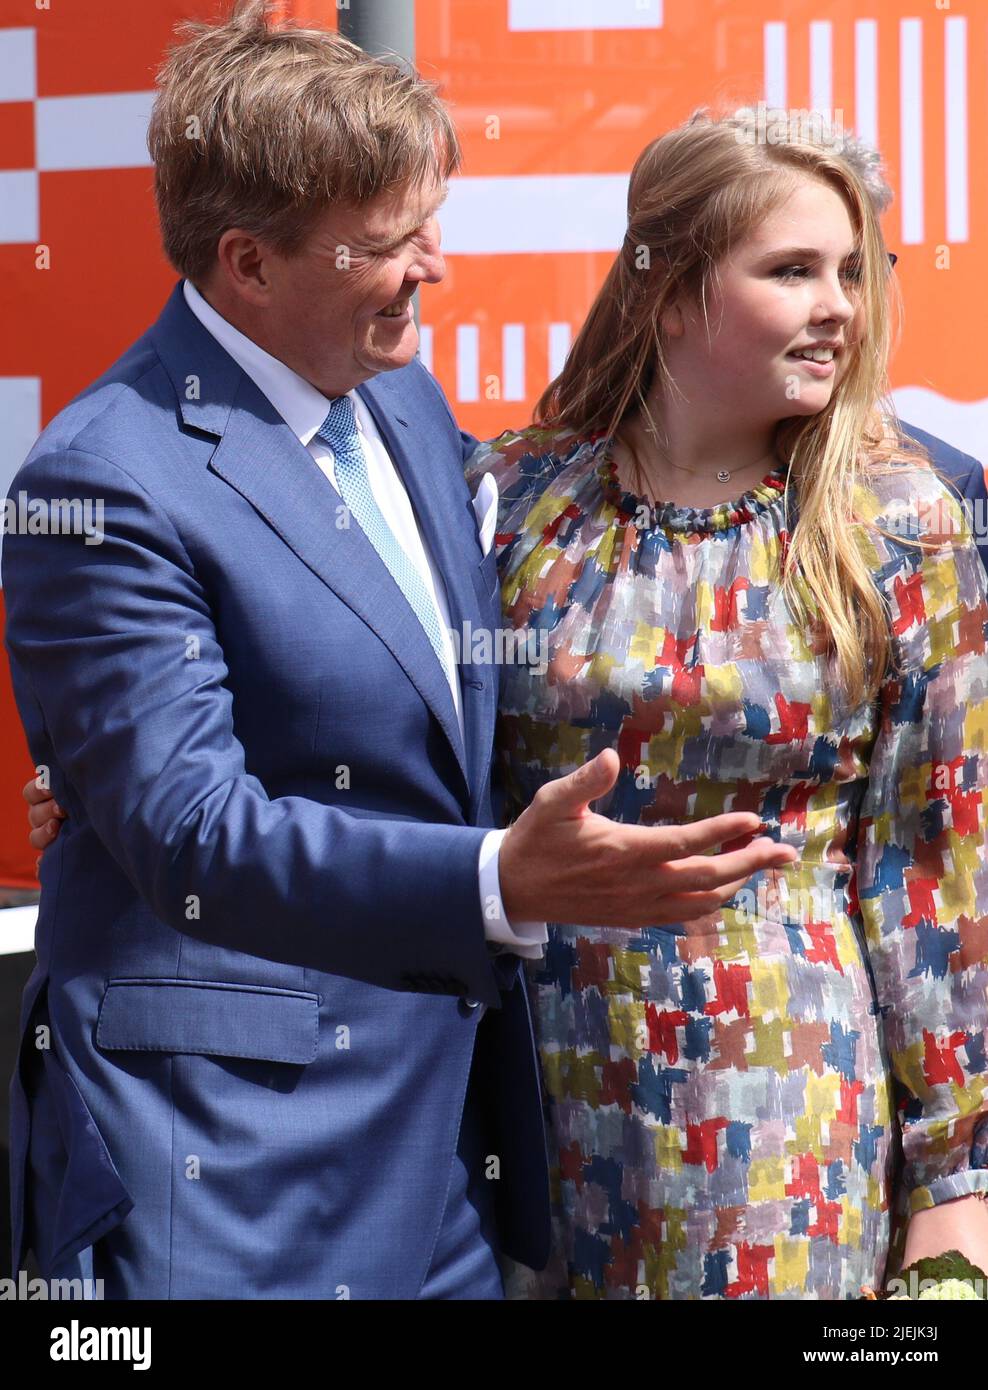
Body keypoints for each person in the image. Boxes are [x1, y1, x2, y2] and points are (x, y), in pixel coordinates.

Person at [2, 4, 795, 1300]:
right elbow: (192, 830)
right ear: (247, 265)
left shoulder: (403, 399)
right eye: (386, 244)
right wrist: (496, 875)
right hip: (231, 1165)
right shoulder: (101, 480)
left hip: (439, 1155)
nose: (436, 267)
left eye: (433, 223)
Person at [460, 109, 988, 1299]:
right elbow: (395, 736)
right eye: (791, 270)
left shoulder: (898, 523)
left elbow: (937, 858)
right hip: (520, 1093)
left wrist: (958, 1180)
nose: (839, 306)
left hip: (778, 1105)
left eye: (850, 270)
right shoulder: (517, 496)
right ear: (668, 292)